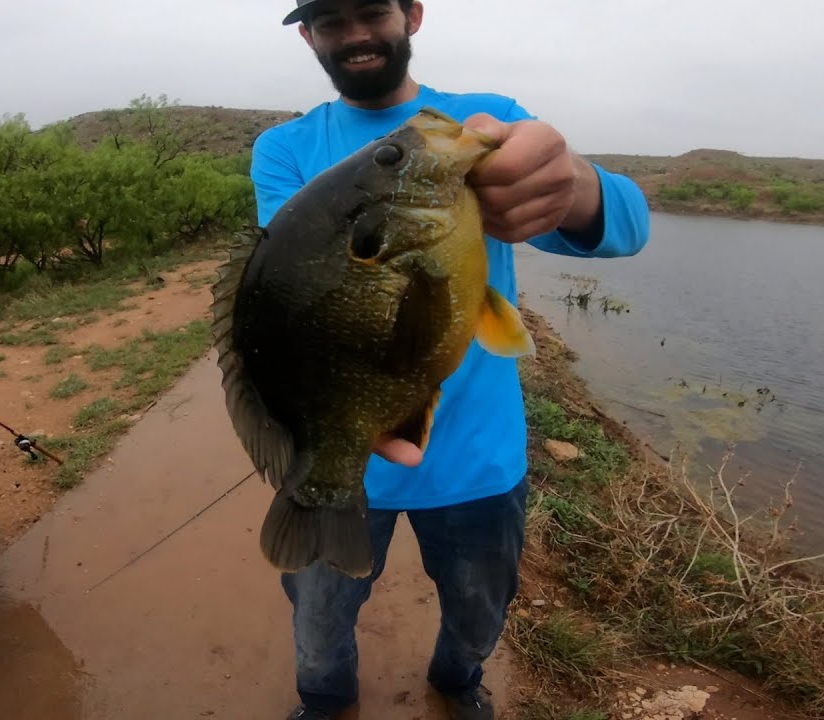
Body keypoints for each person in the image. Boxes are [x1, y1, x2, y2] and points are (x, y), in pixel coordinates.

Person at [250, 1, 651, 718]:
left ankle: (458, 682)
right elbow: (285, 296)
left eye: (371, 11)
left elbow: (625, 226)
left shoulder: (480, 122)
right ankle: (324, 699)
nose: (355, 34)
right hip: (340, 454)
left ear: (411, 16)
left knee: (476, 612)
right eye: (330, 21)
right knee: (316, 625)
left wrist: (573, 187)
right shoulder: (283, 150)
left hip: (478, 460)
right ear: (308, 36)